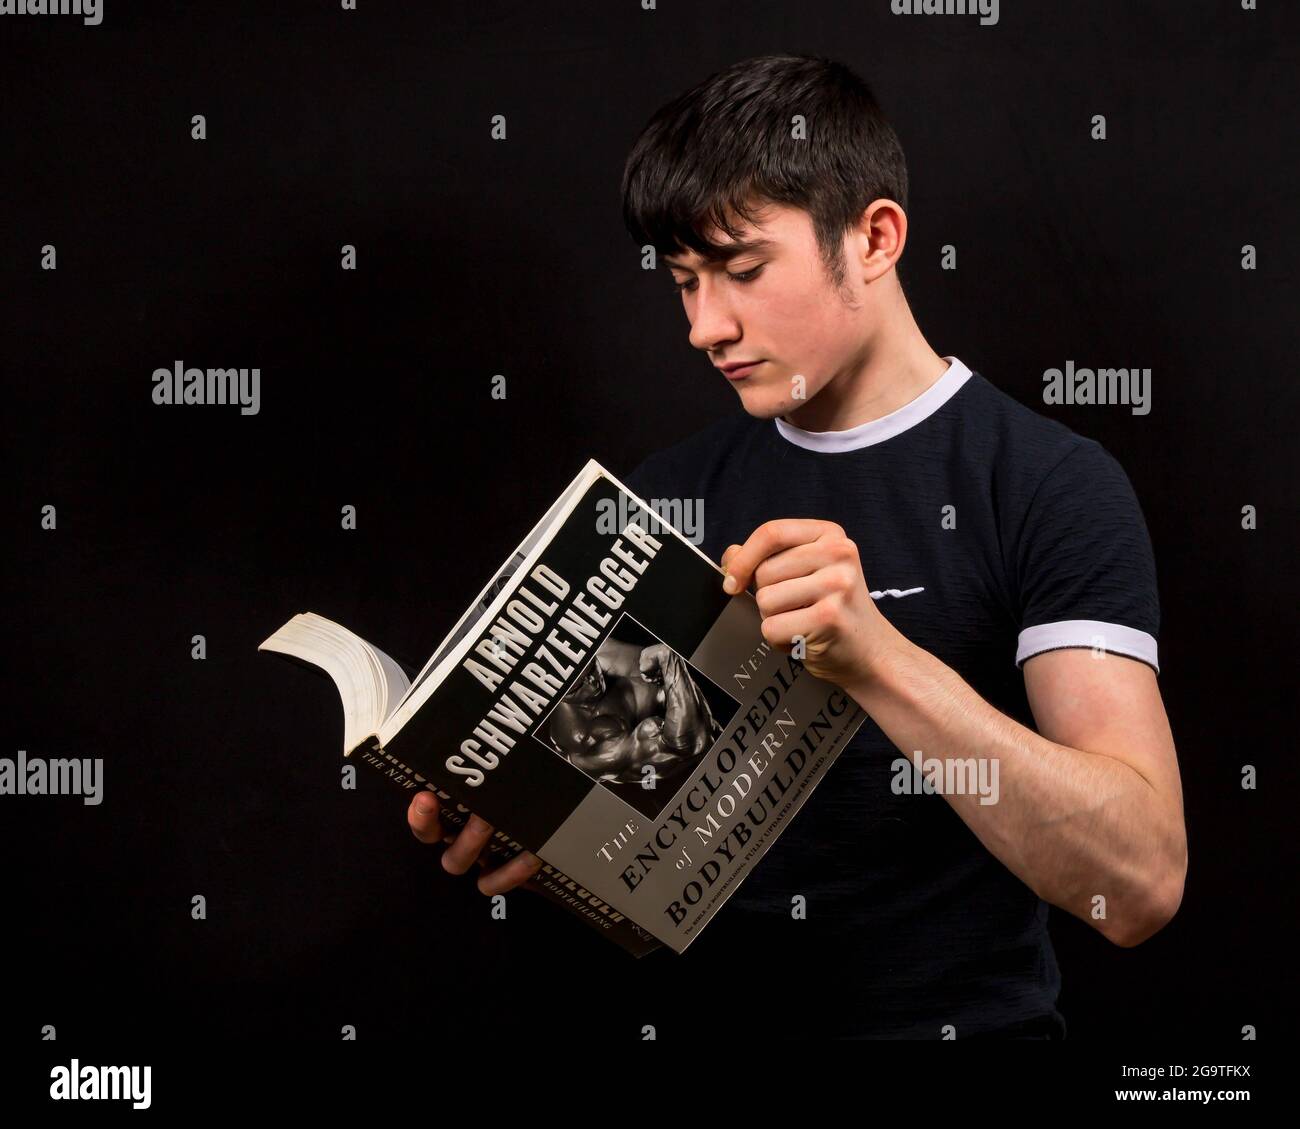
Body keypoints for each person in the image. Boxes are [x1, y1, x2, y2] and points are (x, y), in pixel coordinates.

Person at [408, 53, 1187, 1039]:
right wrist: (528, 816)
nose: (703, 325)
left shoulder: (1045, 484)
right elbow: (648, 836)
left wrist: (877, 658)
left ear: (873, 237)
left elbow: (1141, 878)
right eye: (684, 282)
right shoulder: (666, 494)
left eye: (740, 270)